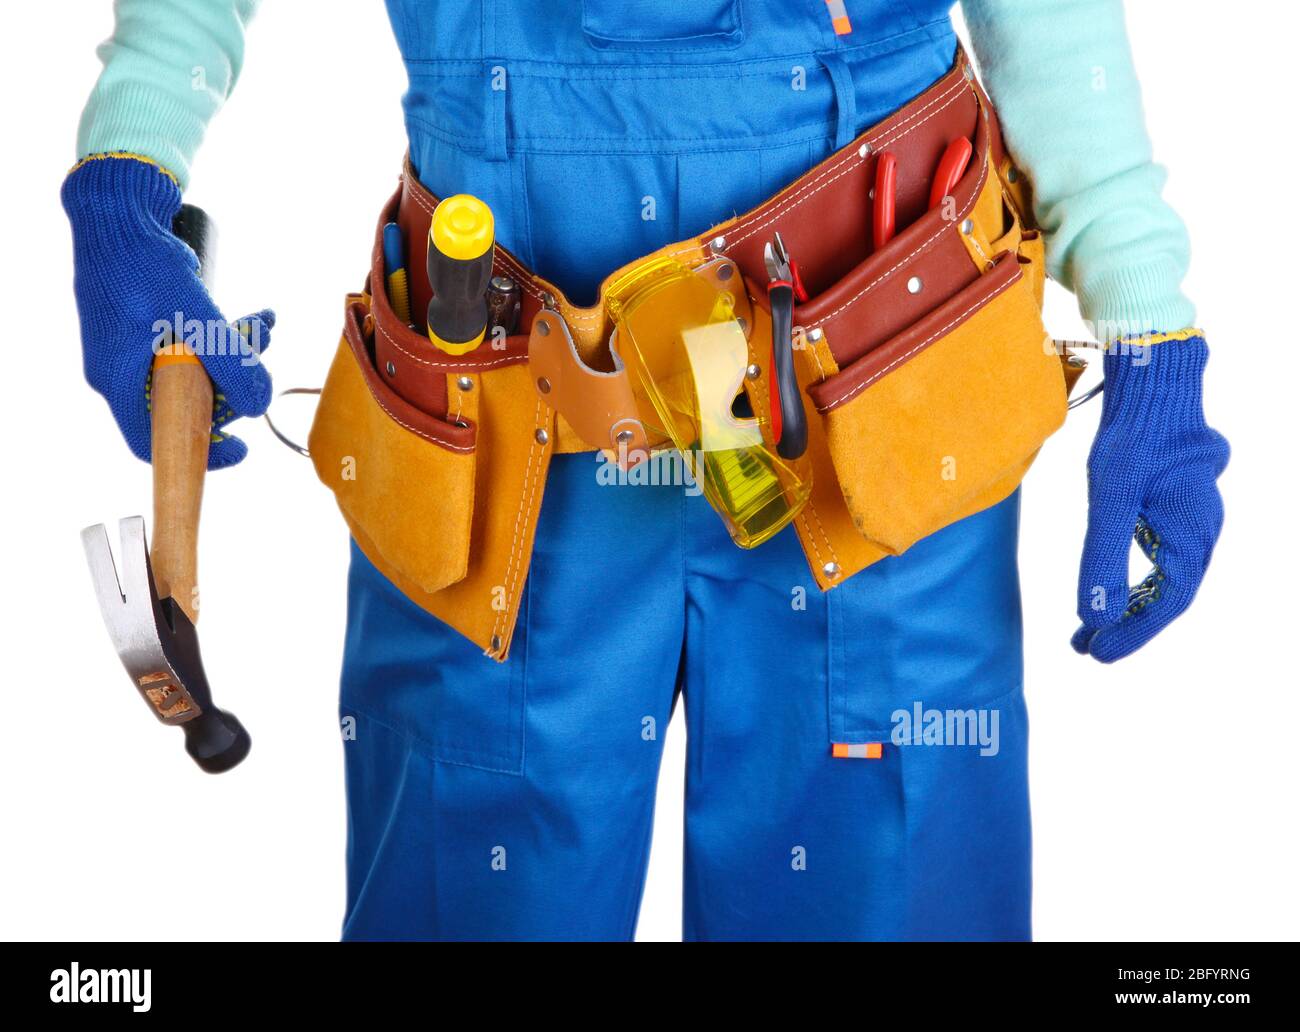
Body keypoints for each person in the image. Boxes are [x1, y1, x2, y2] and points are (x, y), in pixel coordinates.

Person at [63, 1, 1228, 941]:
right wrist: (125, 183)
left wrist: (1147, 327)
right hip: (498, 435)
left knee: (886, 888)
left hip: (869, 405)